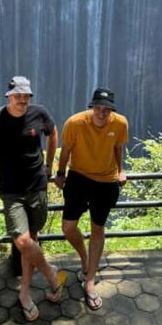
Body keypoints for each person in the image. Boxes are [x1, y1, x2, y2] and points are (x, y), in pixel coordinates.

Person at [0, 76, 66, 322]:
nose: (22, 99)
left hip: (37, 185)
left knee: (32, 240)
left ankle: (25, 294)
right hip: (11, 191)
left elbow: (53, 133)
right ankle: (51, 273)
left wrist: (50, 165)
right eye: (17, 95)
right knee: (22, 240)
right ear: (8, 96)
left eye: (26, 95)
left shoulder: (39, 113)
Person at [55, 87, 128, 311]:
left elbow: (118, 148)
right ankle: (85, 259)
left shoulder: (120, 124)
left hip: (106, 182)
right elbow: (65, 151)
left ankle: (89, 281)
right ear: (92, 106)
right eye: (98, 107)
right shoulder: (74, 123)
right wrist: (60, 174)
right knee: (68, 227)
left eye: (107, 109)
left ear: (111, 110)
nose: (102, 113)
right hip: (78, 177)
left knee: (98, 228)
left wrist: (120, 171)